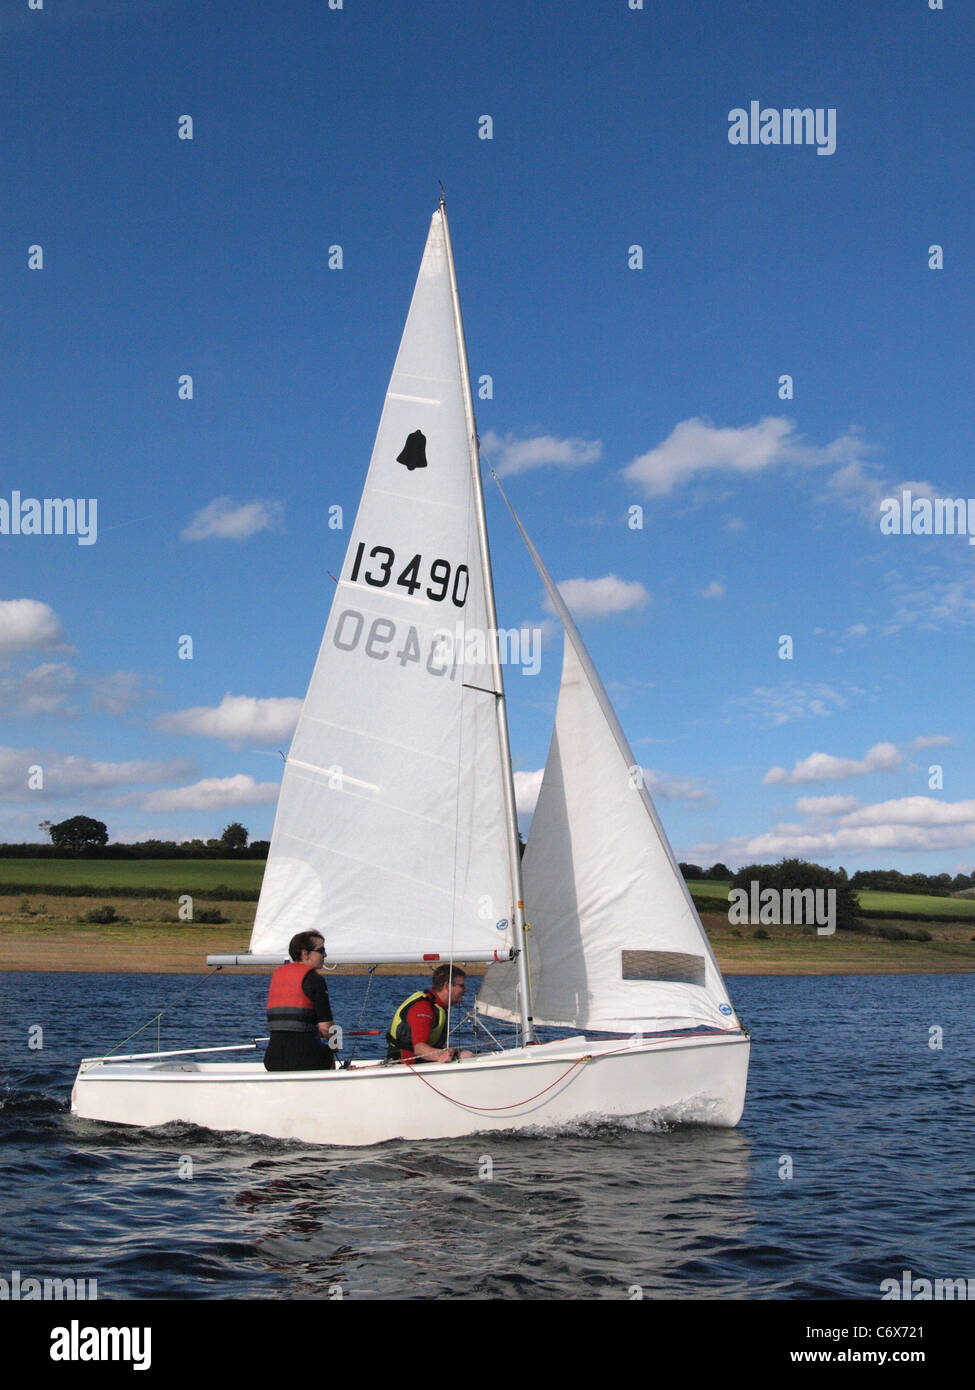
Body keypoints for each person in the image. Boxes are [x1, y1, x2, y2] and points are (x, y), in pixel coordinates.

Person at [263, 930, 338, 1072]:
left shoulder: (278, 976)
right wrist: (337, 1041)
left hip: (273, 1058)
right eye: (321, 950)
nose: (325, 955)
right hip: (305, 1059)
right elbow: (327, 1028)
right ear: (306, 954)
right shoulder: (315, 980)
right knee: (329, 1052)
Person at [386, 964, 474, 1063]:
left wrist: (453, 1051)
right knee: (467, 1056)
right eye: (461, 986)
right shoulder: (424, 1009)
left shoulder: (437, 1005)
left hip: (419, 1062)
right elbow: (419, 1048)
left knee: (466, 1054)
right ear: (447, 986)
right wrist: (442, 1055)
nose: (465, 990)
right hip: (407, 1065)